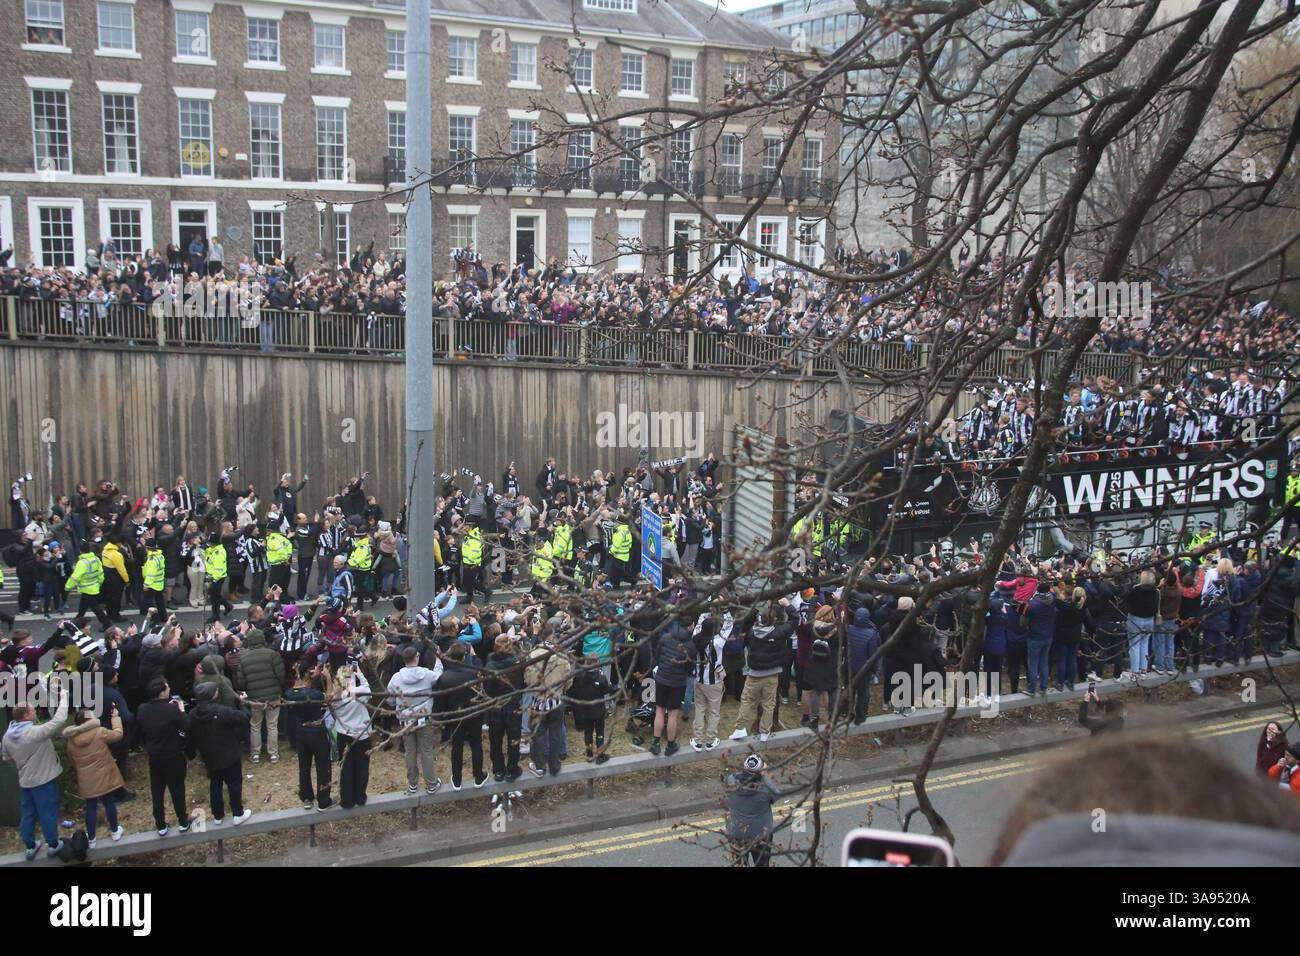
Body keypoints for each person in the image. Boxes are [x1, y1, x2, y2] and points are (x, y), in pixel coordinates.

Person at [1, 688, 70, 860]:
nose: (35, 712)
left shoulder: (7, 736)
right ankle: (53, 844)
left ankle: (30, 846)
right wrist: (64, 698)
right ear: (25, 716)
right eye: (32, 711)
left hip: (25, 780)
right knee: (48, 811)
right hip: (44, 779)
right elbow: (59, 720)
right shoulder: (34, 733)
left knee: (28, 813)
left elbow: (6, 758)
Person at [729, 600, 797, 742]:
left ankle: (740, 728)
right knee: (769, 703)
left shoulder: (752, 633)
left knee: (747, 700)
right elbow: (794, 620)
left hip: (754, 674)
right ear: (774, 621)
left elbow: (745, 622)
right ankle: (765, 731)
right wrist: (787, 605)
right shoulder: (779, 632)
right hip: (773, 673)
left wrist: (756, 605)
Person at [188, 681, 252, 826]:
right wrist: (243, 703)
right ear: (212, 695)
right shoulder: (222, 711)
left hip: (209, 757)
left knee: (215, 784)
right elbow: (244, 717)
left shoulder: (192, 715)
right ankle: (238, 813)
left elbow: (187, 733)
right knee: (234, 784)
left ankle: (218, 816)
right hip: (229, 754)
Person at [62, 705, 126, 848]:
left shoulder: (71, 740)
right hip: (103, 774)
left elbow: (72, 759)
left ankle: (91, 838)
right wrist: (115, 718)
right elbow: (118, 734)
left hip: (86, 777)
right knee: (108, 801)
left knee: (90, 806)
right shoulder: (99, 732)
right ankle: (115, 831)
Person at [135, 677, 192, 836]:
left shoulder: (142, 709)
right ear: (161, 692)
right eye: (167, 688)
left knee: (157, 790)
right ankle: (182, 820)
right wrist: (181, 711)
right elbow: (186, 726)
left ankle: (160, 824)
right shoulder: (171, 710)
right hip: (172, 754)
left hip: (154, 755)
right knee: (177, 789)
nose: (169, 691)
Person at [387, 643, 443, 794]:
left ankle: (412, 784)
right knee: (426, 751)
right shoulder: (426, 674)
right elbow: (438, 675)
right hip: (423, 719)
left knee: (410, 752)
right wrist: (438, 658)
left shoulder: (396, 678)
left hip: (405, 720)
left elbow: (390, 699)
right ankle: (431, 784)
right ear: (416, 657)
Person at [435, 641, 488, 790]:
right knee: (476, 744)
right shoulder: (475, 674)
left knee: (456, 746)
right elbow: (482, 695)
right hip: (474, 714)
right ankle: (478, 776)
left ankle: (457, 779)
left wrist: (443, 718)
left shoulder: (445, 677)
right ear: (464, 657)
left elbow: (440, 700)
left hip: (455, 715)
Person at [286, 660, 333, 810]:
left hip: (300, 730)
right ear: (307, 673)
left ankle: (306, 797)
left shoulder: (289, 694)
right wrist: (328, 678)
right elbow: (329, 698)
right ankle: (324, 800)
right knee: (323, 765)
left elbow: (301, 688)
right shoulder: (314, 694)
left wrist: (312, 677)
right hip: (316, 731)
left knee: (304, 765)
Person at [525, 628, 573, 777]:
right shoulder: (562, 656)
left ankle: (539, 766)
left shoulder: (532, 656)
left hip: (539, 701)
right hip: (556, 701)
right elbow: (569, 679)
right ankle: (554, 765)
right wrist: (560, 690)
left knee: (536, 734)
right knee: (556, 734)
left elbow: (528, 680)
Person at [328, 664, 374, 809]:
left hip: (344, 733)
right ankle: (360, 797)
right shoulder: (357, 691)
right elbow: (369, 691)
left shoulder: (335, 696)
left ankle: (347, 800)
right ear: (352, 677)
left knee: (346, 768)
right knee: (362, 767)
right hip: (362, 733)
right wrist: (361, 675)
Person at [237, 625, 285, 763]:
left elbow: (241, 683)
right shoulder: (272, 654)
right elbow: (280, 676)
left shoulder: (243, 658)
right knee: (272, 725)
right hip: (273, 696)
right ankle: (273, 753)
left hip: (255, 698)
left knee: (255, 725)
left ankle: (255, 753)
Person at [725, 754, 780, 867]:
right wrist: (764, 775)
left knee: (739, 864)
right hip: (760, 836)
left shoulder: (731, 781)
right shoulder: (766, 788)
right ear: (761, 770)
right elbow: (776, 795)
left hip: (737, 834)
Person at [649, 619, 695, 756]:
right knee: (673, 714)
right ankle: (670, 745)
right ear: (689, 626)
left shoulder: (665, 637)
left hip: (662, 678)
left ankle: (655, 743)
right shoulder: (690, 646)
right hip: (677, 682)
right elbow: (690, 668)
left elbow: (657, 656)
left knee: (659, 711)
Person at [569, 654, 612, 763]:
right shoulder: (601, 677)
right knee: (600, 732)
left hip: (585, 709)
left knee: (588, 732)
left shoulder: (579, 676)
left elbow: (574, 690)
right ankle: (600, 755)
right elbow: (606, 690)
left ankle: (589, 753)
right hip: (598, 709)